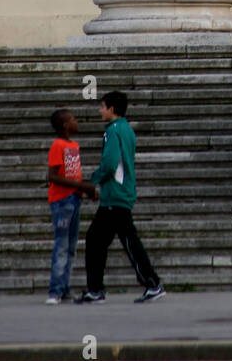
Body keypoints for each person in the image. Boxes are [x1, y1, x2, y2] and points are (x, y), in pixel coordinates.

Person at [74, 90, 165, 305]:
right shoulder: (127, 130)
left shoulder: (112, 131)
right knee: (104, 239)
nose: (100, 110)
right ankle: (99, 288)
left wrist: (92, 180)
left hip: (114, 196)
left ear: (111, 109)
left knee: (116, 240)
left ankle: (149, 284)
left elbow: (110, 162)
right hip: (122, 193)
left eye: (102, 106)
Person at [46, 108, 96, 304]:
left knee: (71, 246)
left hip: (74, 199)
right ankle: (55, 290)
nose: (77, 122)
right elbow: (52, 176)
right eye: (73, 119)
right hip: (62, 201)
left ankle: (65, 288)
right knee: (62, 245)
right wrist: (81, 186)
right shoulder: (57, 146)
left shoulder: (74, 145)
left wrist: (84, 191)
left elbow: (73, 173)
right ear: (65, 125)